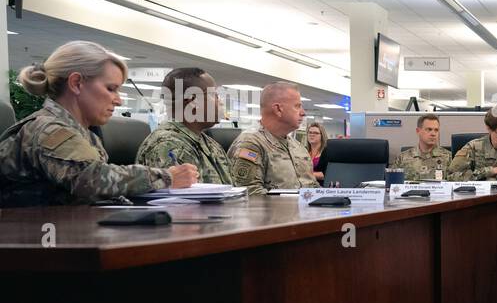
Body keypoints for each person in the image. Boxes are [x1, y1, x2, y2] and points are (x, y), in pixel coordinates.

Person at [0, 41, 196, 205]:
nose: (118, 100)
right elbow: (91, 179)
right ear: (76, 83)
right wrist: (167, 177)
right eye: (111, 89)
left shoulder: (85, 134)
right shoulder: (48, 128)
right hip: (37, 241)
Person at [135, 66, 233, 184]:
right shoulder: (168, 145)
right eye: (214, 95)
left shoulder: (211, 145)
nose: (220, 102)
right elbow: (182, 199)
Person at [227, 81, 316, 194]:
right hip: (277, 211)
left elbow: (312, 187)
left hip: (304, 210)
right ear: (278, 109)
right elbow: (250, 194)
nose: (303, 113)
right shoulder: (251, 143)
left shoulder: (298, 147)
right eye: (297, 106)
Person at [394, 114, 452, 182]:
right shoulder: (402, 158)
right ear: (418, 131)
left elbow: (455, 185)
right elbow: (393, 185)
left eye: (436, 130)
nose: (433, 134)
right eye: (429, 129)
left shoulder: (449, 158)